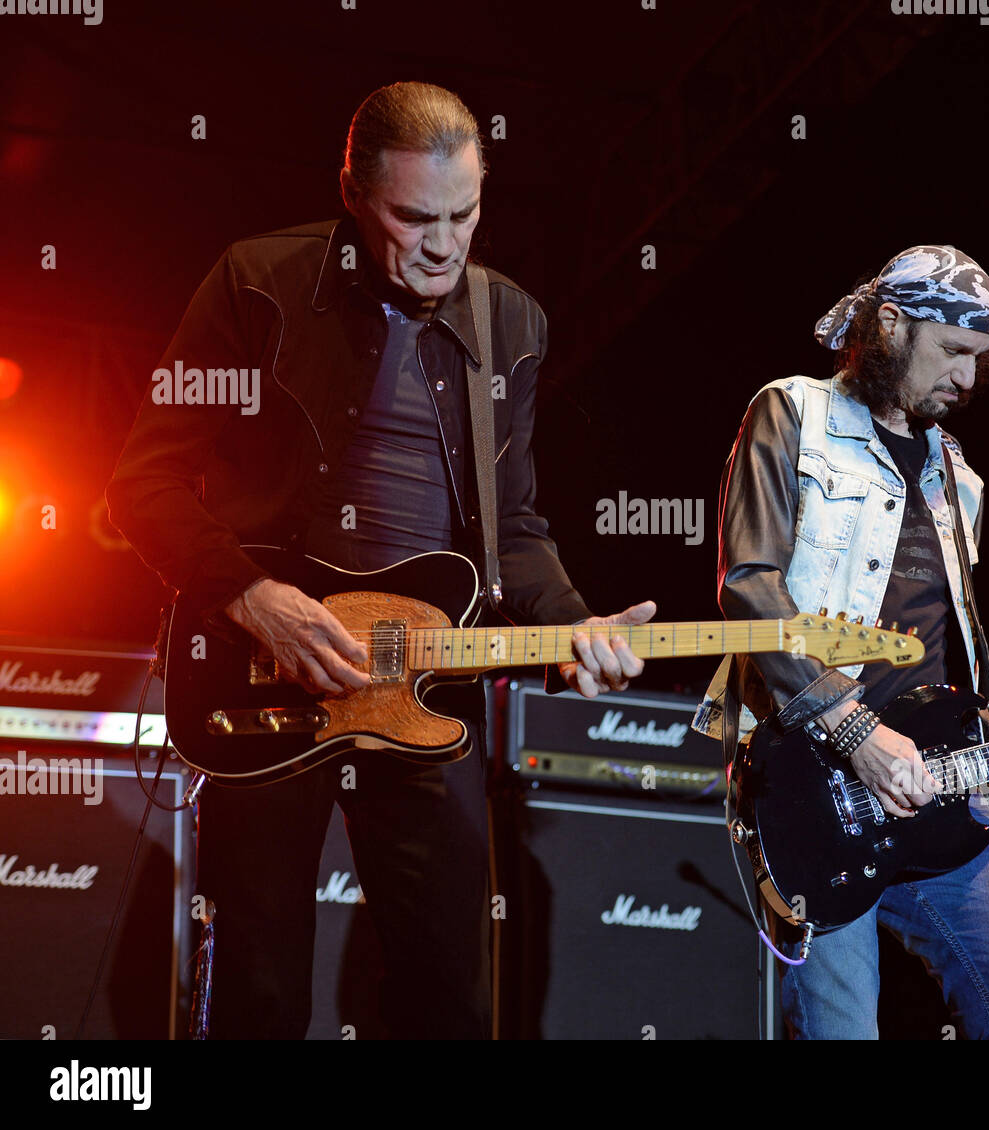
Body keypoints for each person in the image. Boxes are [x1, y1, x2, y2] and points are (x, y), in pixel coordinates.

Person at [106, 81, 653, 1039]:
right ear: (355, 194)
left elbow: (511, 524)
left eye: (466, 213)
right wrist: (250, 596)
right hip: (270, 677)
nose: (445, 242)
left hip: (427, 690)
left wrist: (573, 623)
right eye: (413, 217)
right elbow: (140, 486)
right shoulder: (257, 282)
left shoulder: (511, 323)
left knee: (455, 1000)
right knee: (261, 998)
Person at [702, 245, 989, 1040]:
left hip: (938, 788)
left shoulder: (962, 478)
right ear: (890, 325)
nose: (967, 378)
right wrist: (855, 732)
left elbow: (947, 660)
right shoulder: (792, 413)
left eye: (979, 360)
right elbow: (749, 587)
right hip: (811, 785)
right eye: (953, 352)